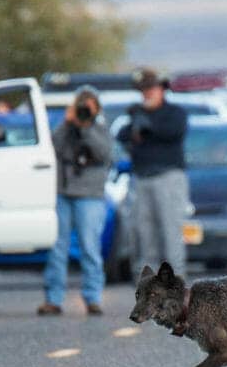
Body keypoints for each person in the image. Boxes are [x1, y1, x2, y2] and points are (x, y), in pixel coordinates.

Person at [37, 86, 113, 316]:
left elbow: (103, 154)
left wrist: (86, 127)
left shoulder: (100, 130)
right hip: (63, 193)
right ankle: (53, 298)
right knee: (57, 247)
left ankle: (93, 297)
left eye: (86, 108)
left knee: (89, 247)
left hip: (90, 196)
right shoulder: (65, 130)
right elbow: (51, 148)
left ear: (96, 110)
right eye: (79, 106)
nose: (82, 112)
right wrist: (68, 121)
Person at [116, 68, 190, 278]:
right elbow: (122, 135)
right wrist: (137, 122)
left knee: (170, 233)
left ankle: (176, 283)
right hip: (142, 178)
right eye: (143, 90)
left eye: (151, 88)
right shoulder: (138, 115)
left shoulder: (174, 113)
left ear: (162, 89)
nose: (147, 94)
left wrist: (147, 126)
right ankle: (148, 285)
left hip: (167, 178)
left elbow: (172, 132)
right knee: (144, 234)